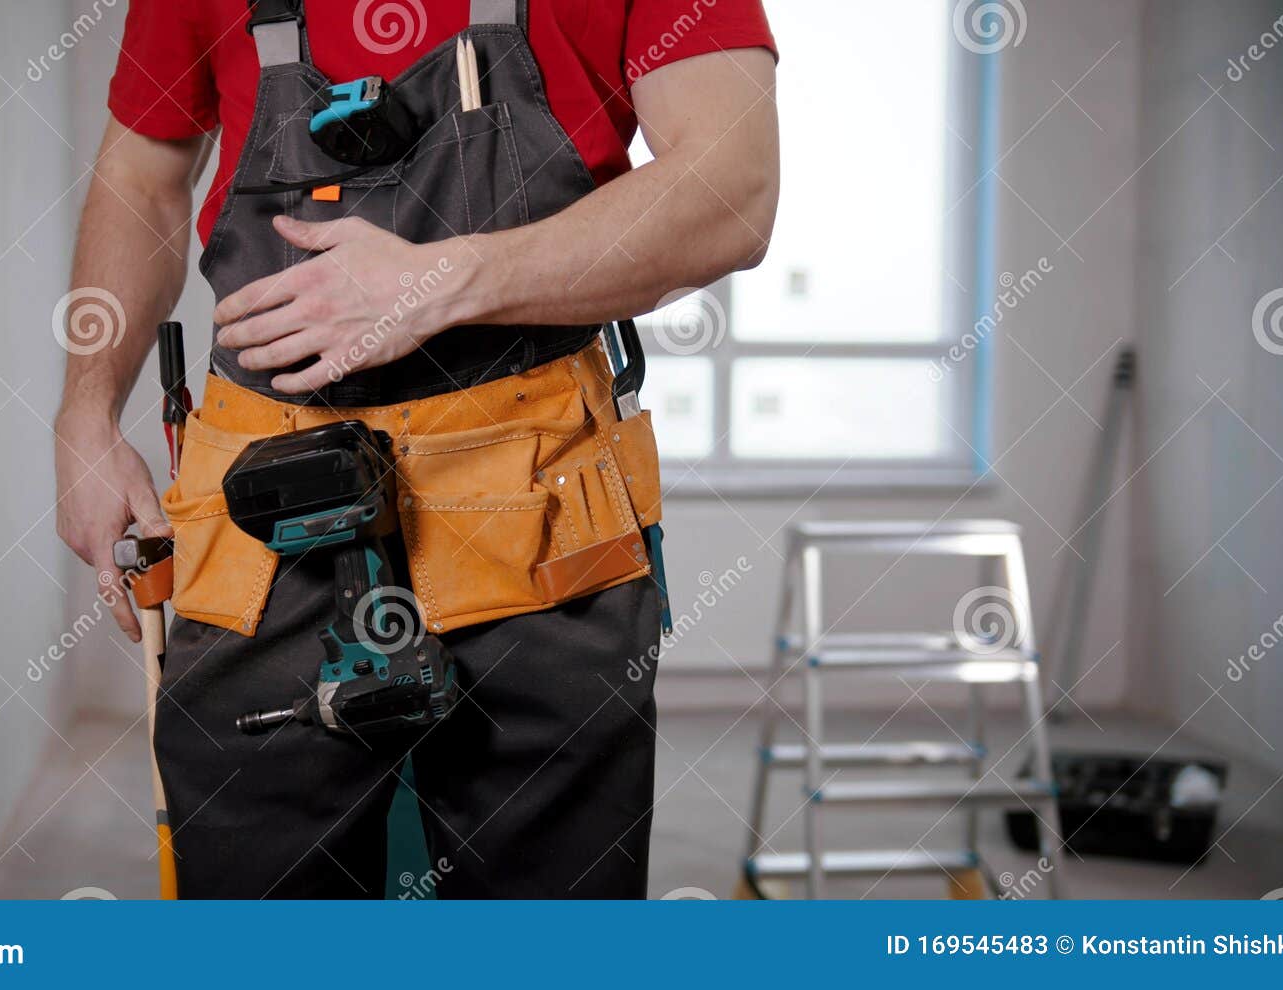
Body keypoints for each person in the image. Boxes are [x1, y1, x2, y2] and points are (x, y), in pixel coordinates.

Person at [54, 0, 778, 898]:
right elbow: (142, 174)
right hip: (265, 521)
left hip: (540, 520)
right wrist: (85, 419)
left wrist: (440, 283)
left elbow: (730, 190)